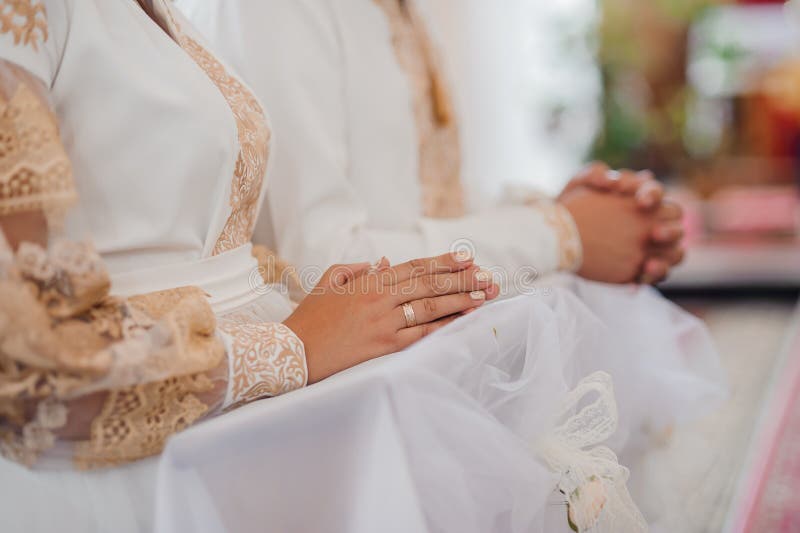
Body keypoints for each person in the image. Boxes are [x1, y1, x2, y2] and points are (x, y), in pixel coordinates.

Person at [0, 2, 653, 532]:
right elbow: (22, 360)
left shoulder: (162, 14)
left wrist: (311, 295)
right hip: (140, 449)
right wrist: (291, 345)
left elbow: (205, 240)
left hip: (238, 393)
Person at [177, 0, 726, 525]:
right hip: (339, 386)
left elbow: (432, 199)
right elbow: (326, 267)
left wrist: (565, 212)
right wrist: (563, 233)